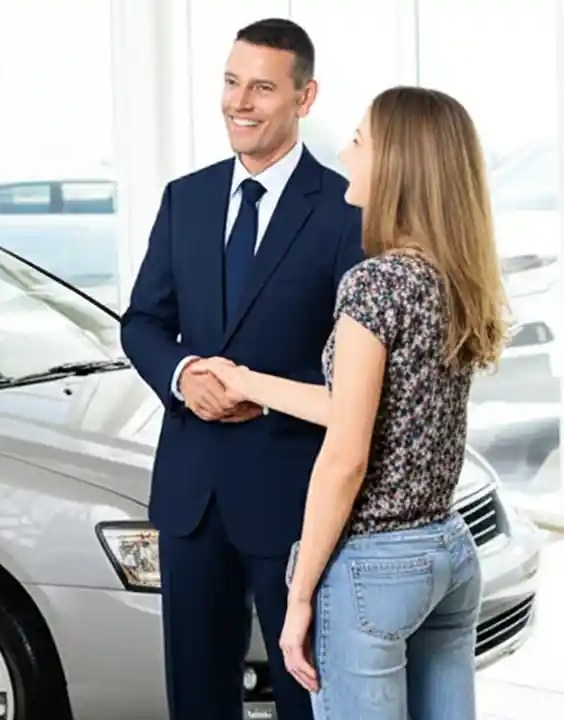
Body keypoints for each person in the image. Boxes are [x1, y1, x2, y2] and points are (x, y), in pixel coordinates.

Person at [201, 86, 509, 718]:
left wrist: (299, 594)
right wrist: (249, 381)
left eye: (361, 140)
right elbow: (362, 407)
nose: (344, 151)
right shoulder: (454, 277)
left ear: (398, 164)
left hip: (375, 566)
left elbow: (346, 455)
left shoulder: (373, 283)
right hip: (447, 552)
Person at [120, 17, 364, 720]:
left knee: (305, 695)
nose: (240, 102)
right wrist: (183, 374)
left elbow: (355, 369)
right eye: (231, 83)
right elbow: (142, 322)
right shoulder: (185, 198)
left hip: (292, 497)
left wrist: (268, 397)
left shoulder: (345, 212)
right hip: (191, 495)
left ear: (304, 97)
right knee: (196, 696)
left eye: (261, 87)